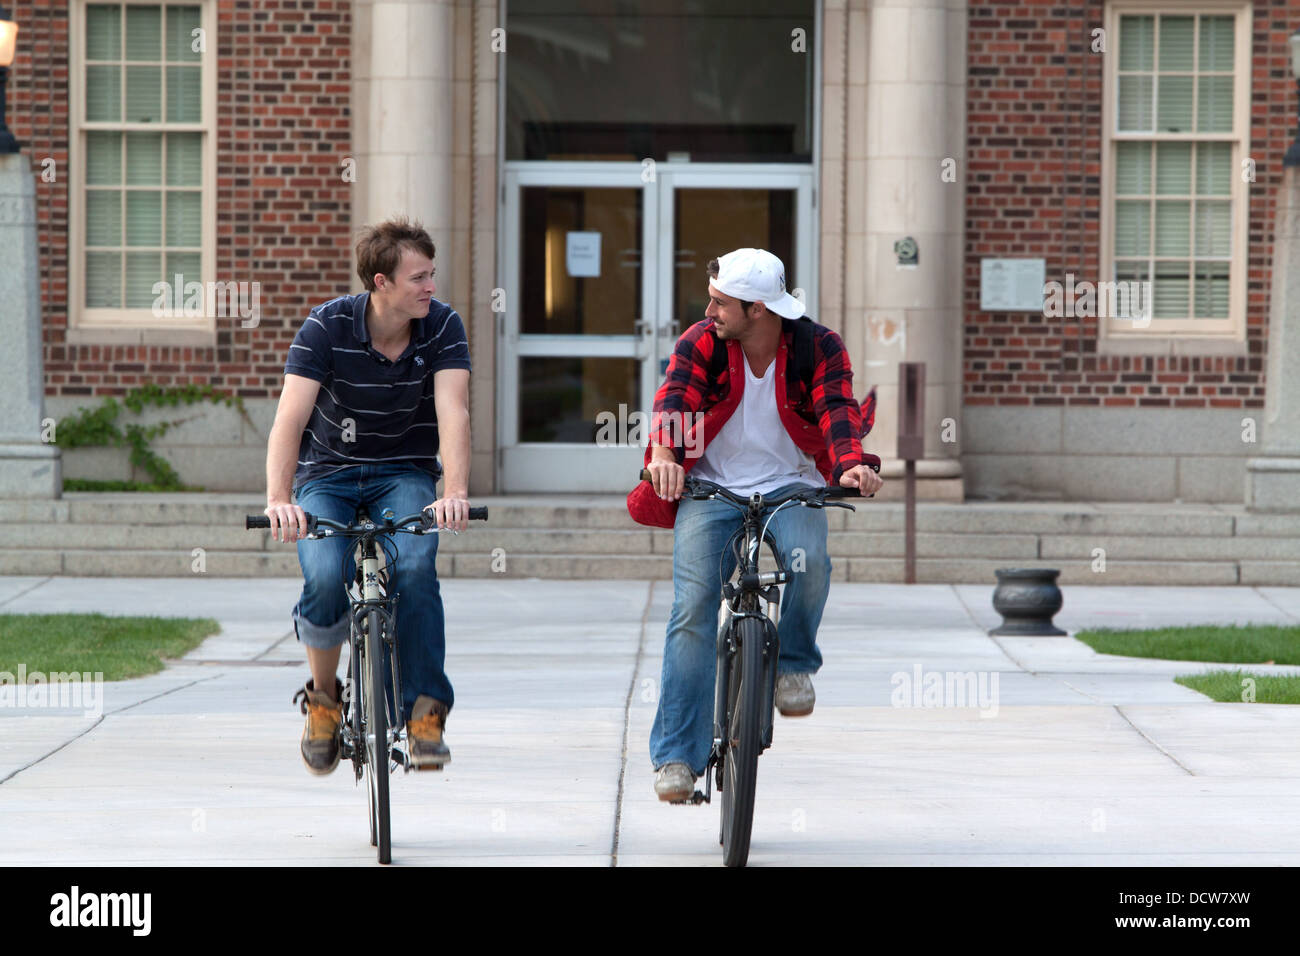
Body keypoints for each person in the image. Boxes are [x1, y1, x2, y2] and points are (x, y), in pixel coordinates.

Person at [630, 247, 884, 802]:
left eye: (722, 303)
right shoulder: (702, 341)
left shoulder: (818, 346)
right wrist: (666, 457)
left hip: (791, 486)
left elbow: (838, 410)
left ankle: (792, 664)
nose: (709, 309)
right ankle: (676, 756)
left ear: (760, 310)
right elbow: (674, 398)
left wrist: (852, 466)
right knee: (692, 609)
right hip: (710, 489)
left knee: (810, 563)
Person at [263, 217, 472, 775]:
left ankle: (425, 714)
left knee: (417, 568)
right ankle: (325, 699)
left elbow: (453, 410)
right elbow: (290, 417)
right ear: (381, 283)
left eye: (432, 275)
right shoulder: (326, 327)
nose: (431, 287)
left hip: (403, 472)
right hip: (326, 475)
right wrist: (279, 498)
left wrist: (454, 491)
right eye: (418, 277)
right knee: (326, 574)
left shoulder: (443, 326)